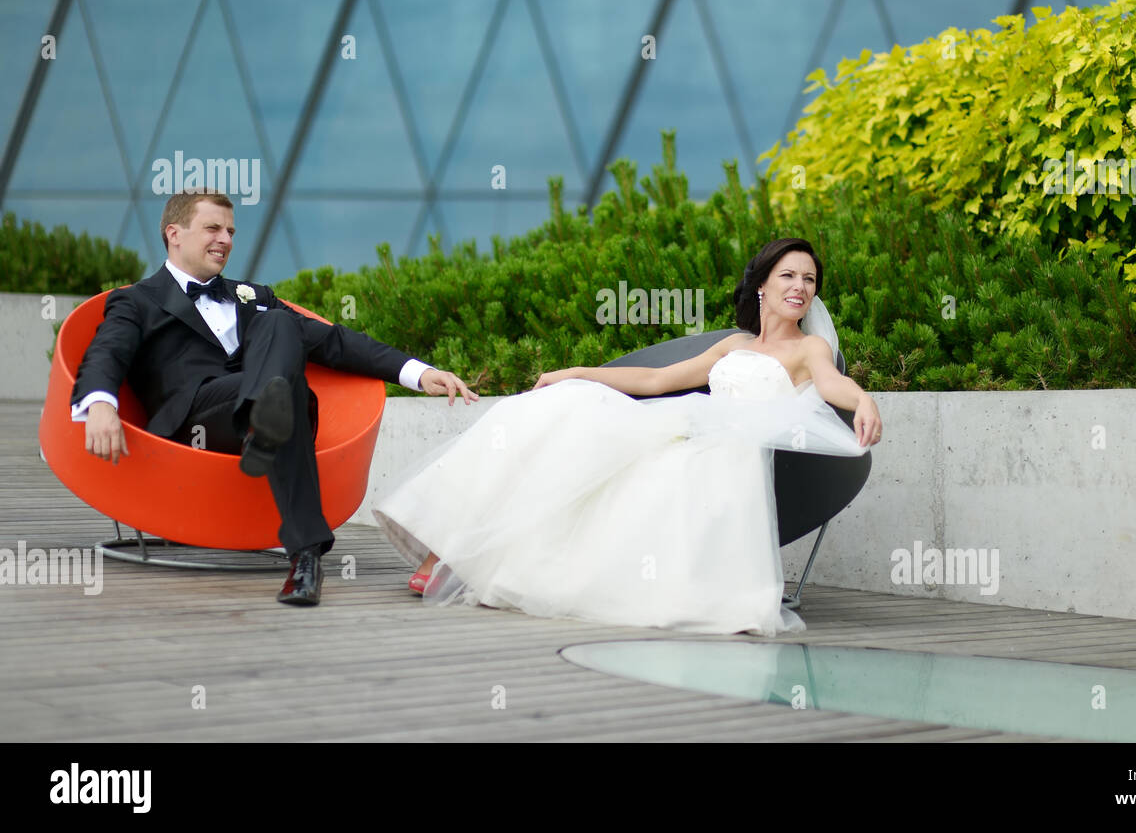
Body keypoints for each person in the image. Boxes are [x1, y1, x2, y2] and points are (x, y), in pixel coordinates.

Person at [373, 238, 882, 635]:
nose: (800, 286)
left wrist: (864, 399)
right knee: (552, 409)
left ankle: (470, 559)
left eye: (809, 279)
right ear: (762, 287)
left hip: (729, 450)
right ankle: (451, 551)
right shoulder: (733, 344)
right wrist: (578, 371)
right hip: (687, 425)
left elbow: (832, 382)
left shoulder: (809, 348)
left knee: (621, 455)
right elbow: (657, 381)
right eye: (788, 275)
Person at [71, 188, 478, 606]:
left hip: (269, 418)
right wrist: (101, 402)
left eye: (230, 231)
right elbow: (107, 351)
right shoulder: (138, 301)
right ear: (174, 233)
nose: (225, 239)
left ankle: (302, 552)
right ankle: (269, 431)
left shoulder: (253, 297)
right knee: (287, 395)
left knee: (282, 333)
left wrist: (419, 372)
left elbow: (335, 341)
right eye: (213, 228)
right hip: (196, 423)